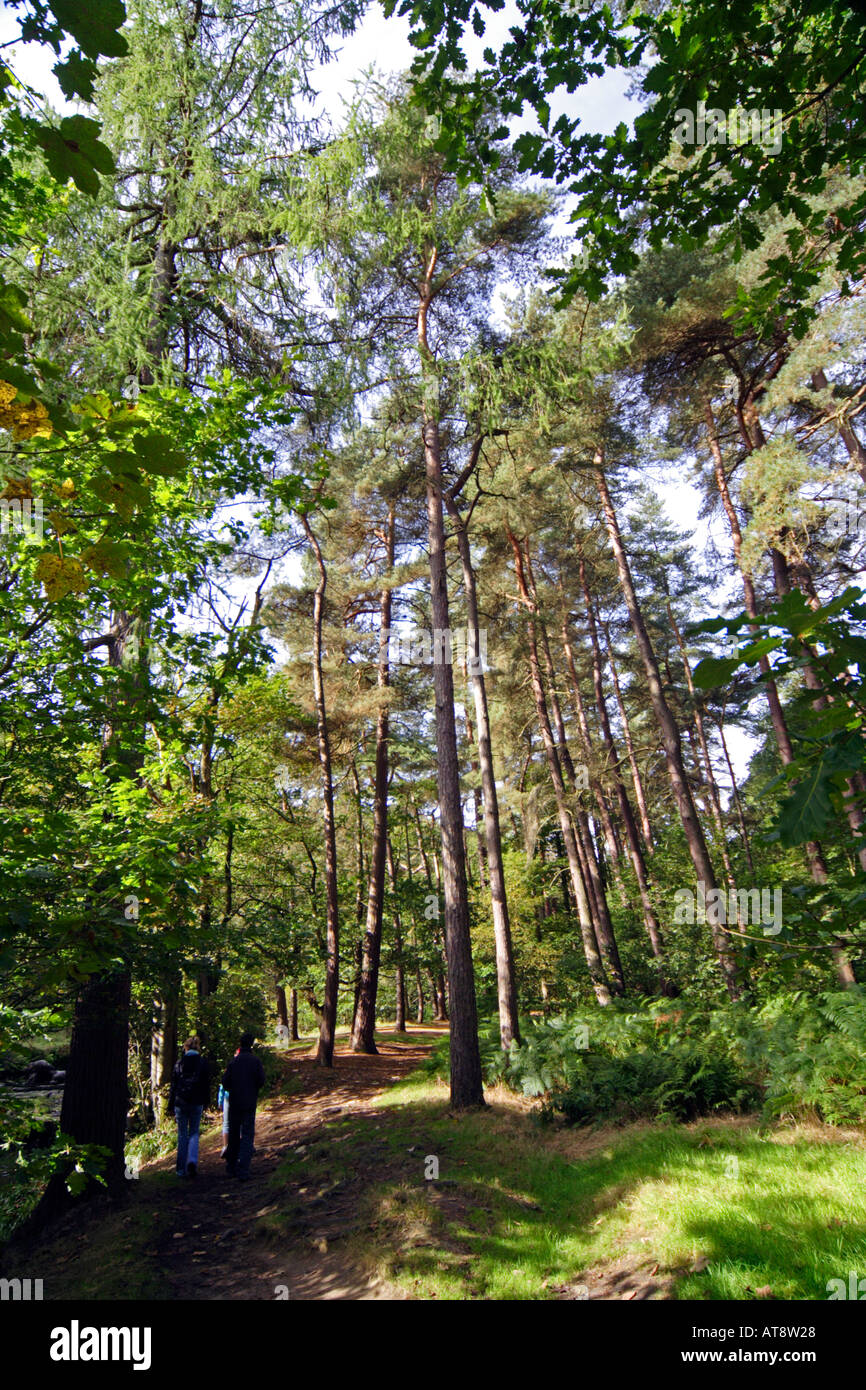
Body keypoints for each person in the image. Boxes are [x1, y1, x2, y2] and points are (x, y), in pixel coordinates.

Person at [221, 1031, 265, 1181]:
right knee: (247, 1135)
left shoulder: (234, 1062)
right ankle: (244, 1169)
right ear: (251, 1044)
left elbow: (225, 1082)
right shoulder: (255, 1061)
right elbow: (261, 1081)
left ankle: (231, 1166)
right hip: (249, 1103)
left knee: (233, 1134)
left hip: (235, 1103)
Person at [168, 1036, 210, 1179]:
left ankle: (180, 1169)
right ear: (197, 1048)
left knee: (182, 1134)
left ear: (185, 1047)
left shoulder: (180, 1063)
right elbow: (206, 1084)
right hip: (197, 1101)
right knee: (194, 1132)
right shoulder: (202, 1063)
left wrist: (170, 1104)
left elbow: (174, 1085)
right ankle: (192, 1160)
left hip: (181, 1102)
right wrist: (207, 1101)